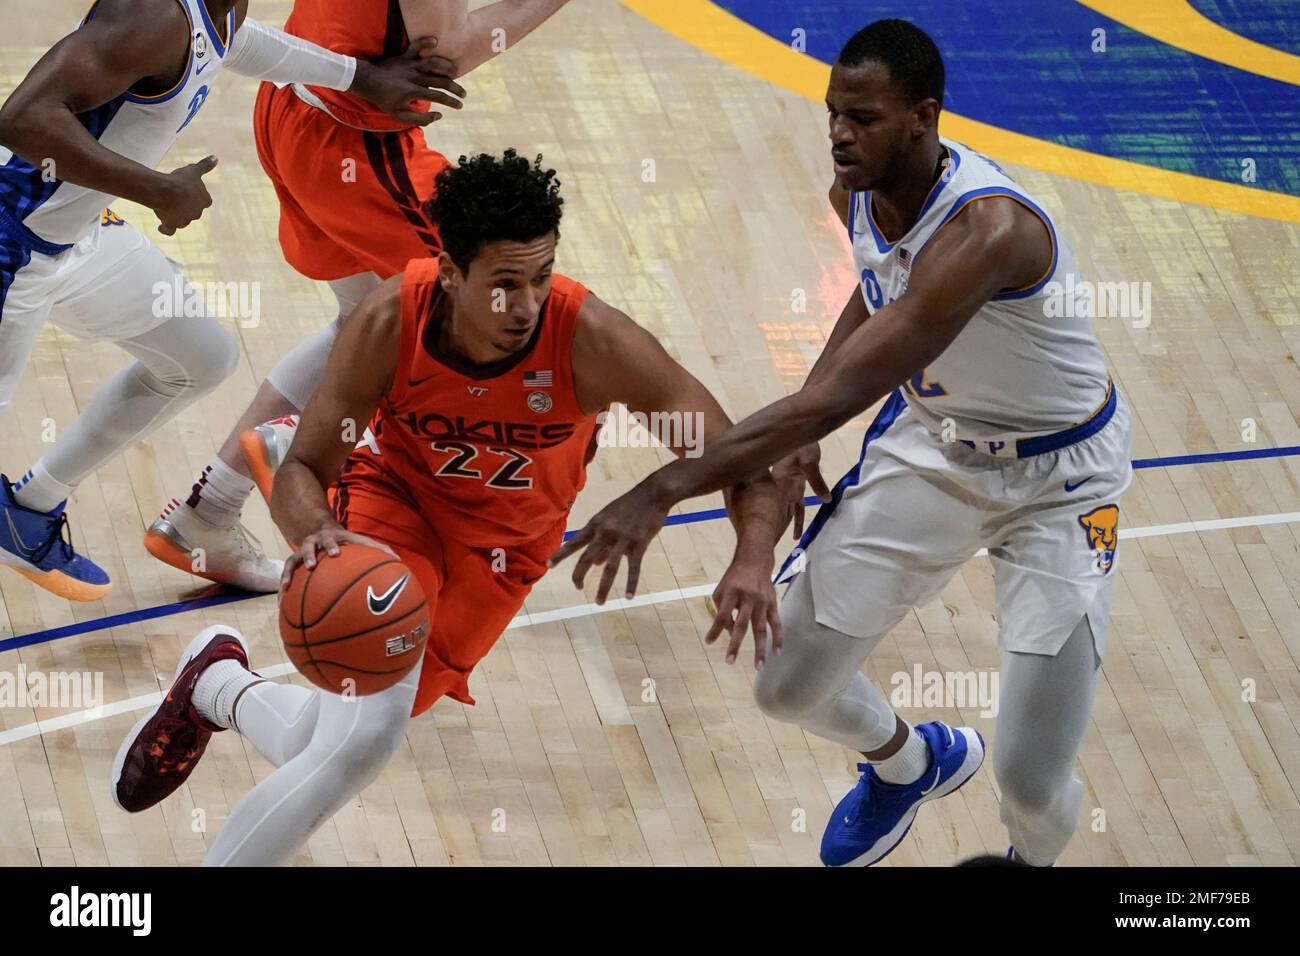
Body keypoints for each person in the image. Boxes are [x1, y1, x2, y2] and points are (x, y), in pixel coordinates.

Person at [551, 19, 1132, 868]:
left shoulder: (991, 233)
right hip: (936, 452)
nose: (838, 133)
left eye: (862, 117)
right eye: (833, 112)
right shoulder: (856, 194)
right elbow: (880, 296)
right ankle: (909, 763)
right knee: (786, 685)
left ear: (923, 117)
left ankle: (1028, 865)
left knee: (1033, 781)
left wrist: (663, 488)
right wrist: (792, 445)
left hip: (1062, 482)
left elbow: (848, 390)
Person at [111, 150, 785, 866]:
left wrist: (751, 556)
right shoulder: (390, 321)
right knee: (365, 738)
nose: (525, 305)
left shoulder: (595, 343)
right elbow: (307, 466)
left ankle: (218, 684)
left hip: (505, 553)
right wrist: (317, 535)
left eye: (540, 277)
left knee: (334, 735)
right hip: (391, 506)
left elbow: (744, 456)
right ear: (453, 273)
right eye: (503, 284)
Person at [0, 0, 462, 600]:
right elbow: (24, 118)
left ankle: (26, 511)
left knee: (200, 358)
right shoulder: (152, 14)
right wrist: (159, 190)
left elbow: (237, 43)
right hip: (11, 240)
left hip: (74, 239)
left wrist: (359, 78)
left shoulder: (216, 8)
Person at [148, 0, 573, 593]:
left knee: (362, 316)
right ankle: (328, 458)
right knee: (495, 303)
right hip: (360, 148)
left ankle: (209, 509)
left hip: (295, 102)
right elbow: (441, 59)